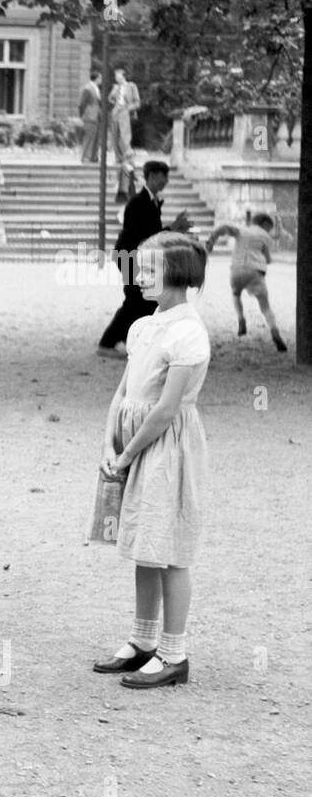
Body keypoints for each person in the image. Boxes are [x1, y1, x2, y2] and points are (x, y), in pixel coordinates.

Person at [93, 232, 210, 689]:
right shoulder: (143, 326)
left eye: (148, 269)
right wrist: (108, 443)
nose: (138, 276)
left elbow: (166, 408)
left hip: (165, 448)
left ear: (177, 274)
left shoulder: (188, 332)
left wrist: (126, 453)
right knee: (145, 543)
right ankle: (143, 640)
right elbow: (123, 392)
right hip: (134, 445)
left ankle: (174, 652)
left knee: (172, 550)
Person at [97, 160, 187, 357]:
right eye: (164, 176)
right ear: (153, 176)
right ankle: (108, 342)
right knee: (135, 299)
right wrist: (173, 229)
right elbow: (144, 235)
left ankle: (131, 339)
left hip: (136, 254)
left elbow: (150, 234)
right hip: (129, 254)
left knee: (145, 299)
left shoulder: (150, 201)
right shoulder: (138, 202)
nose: (166, 181)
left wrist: (173, 231)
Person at [205, 212, 287, 351]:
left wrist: (211, 240)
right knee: (265, 307)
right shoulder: (265, 236)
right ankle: (274, 331)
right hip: (256, 272)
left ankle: (241, 319)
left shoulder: (242, 230)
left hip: (236, 270)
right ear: (265, 224)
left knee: (236, 294)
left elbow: (224, 227)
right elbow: (268, 259)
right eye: (269, 227)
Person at [109, 67, 141, 198]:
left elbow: (137, 102)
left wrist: (128, 108)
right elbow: (110, 98)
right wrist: (114, 100)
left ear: (123, 76)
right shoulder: (116, 87)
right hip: (116, 111)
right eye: (115, 76)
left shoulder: (131, 86)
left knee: (125, 136)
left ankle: (127, 158)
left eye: (118, 76)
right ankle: (118, 157)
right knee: (115, 135)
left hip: (125, 111)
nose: (116, 78)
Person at [78, 69, 103, 163]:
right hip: (89, 117)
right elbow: (82, 104)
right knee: (89, 138)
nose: (101, 80)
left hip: (96, 116)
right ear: (97, 78)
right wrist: (82, 116)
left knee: (96, 138)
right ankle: (85, 158)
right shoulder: (87, 88)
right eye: (100, 78)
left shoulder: (96, 88)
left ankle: (94, 157)